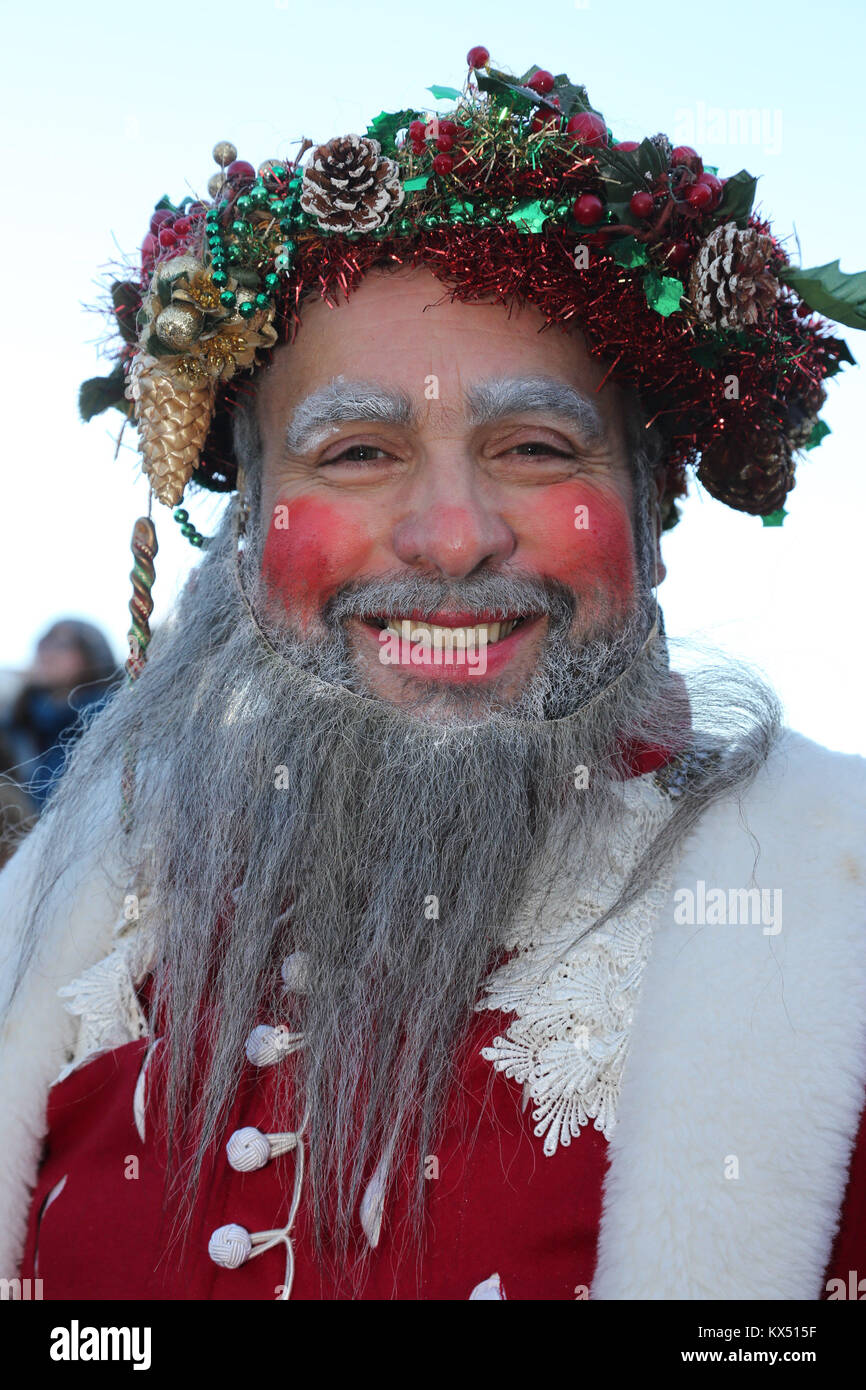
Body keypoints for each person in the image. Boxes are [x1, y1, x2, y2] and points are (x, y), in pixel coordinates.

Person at [1, 47, 864, 1302]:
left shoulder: (835, 912)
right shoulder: (74, 928)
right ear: (246, 540)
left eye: (530, 446)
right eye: (355, 451)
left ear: (651, 515)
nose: (452, 536)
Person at [1, 619, 119, 809]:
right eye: (42, 643)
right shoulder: (17, 721)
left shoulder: (115, 722)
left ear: (93, 654)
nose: (46, 653)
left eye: (61, 644)